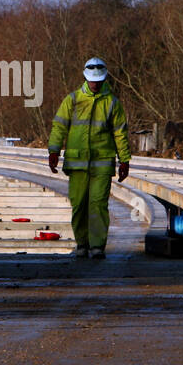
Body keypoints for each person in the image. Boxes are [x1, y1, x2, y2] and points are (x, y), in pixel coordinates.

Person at [47, 57, 131, 259]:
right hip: (77, 164)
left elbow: (120, 133)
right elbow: (59, 126)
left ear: (103, 80)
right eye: (92, 81)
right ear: (86, 78)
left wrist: (125, 160)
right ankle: (82, 243)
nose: (95, 84)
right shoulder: (73, 100)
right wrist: (54, 150)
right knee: (79, 204)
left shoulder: (112, 104)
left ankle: (97, 246)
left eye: (98, 81)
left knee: (98, 204)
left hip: (102, 164)